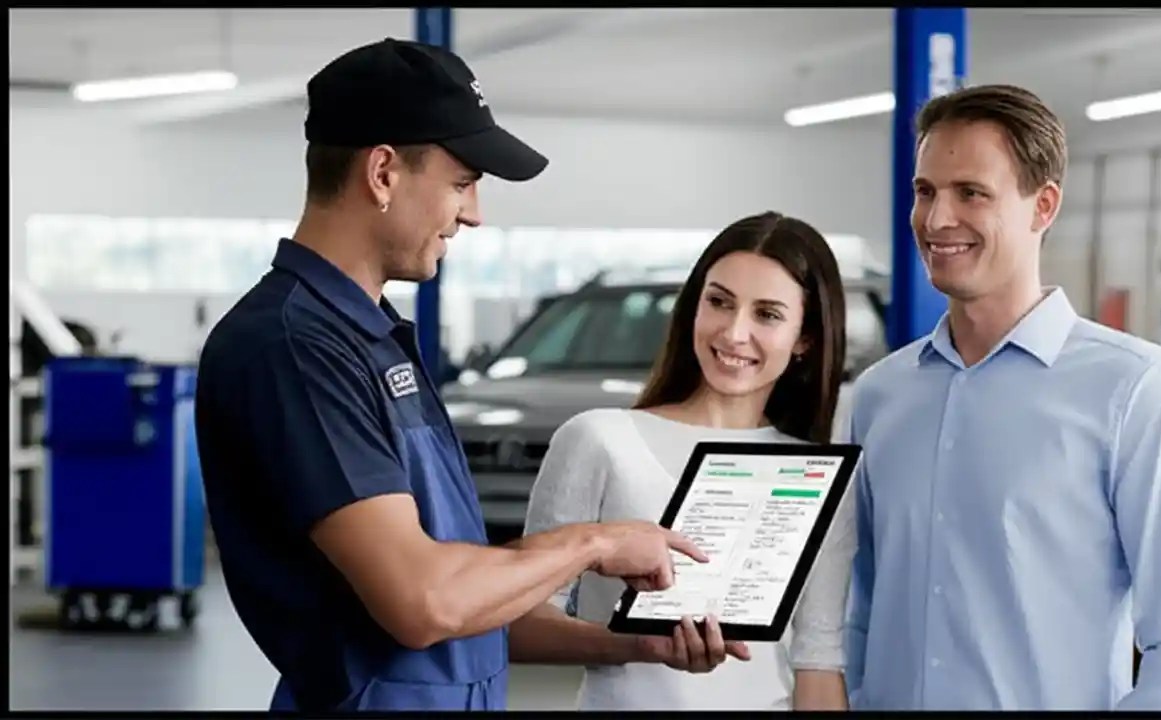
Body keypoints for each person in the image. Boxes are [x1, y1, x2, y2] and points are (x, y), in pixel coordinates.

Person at [194, 38, 708, 713]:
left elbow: (470, 601)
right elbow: (424, 601)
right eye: (462, 183)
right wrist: (594, 540)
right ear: (382, 172)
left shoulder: (370, 338)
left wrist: (636, 646)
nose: (474, 213)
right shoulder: (295, 349)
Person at [844, 84, 1161, 711]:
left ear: (1043, 205)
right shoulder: (879, 398)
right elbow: (858, 612)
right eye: (925, 192)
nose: (936, 218)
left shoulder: (1136, 390)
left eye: (971, 193)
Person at [514, 211, 856, 711]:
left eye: (768, 314)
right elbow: (519, 625)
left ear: (805, 338)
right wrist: (635, 646)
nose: (735, 333)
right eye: (719, 302)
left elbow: (819, 661)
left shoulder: (818, 475)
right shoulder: (600, 440)